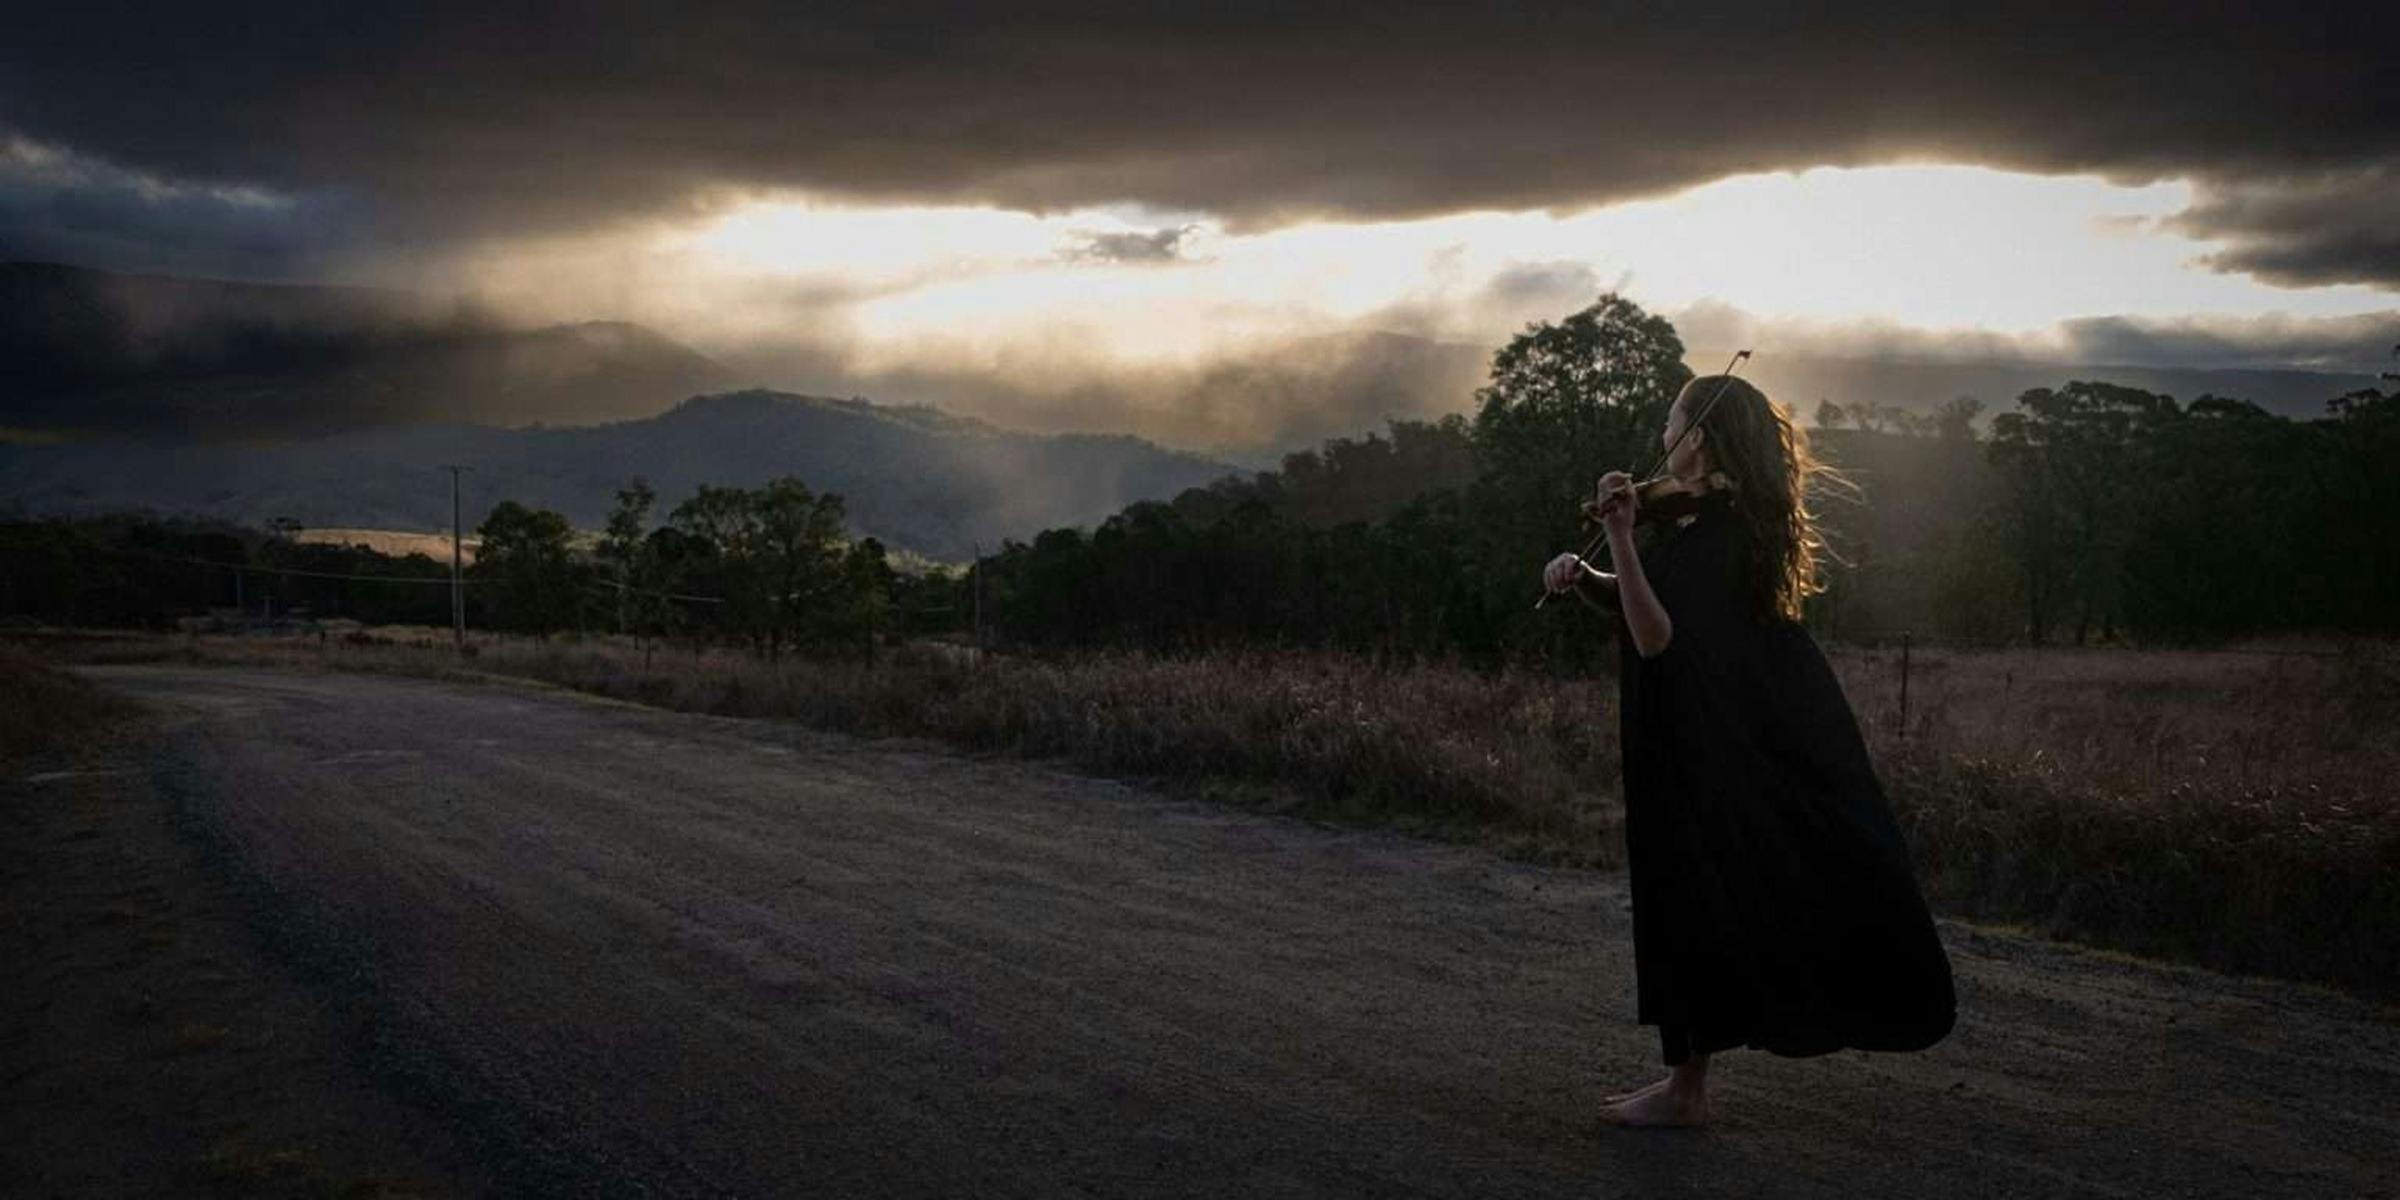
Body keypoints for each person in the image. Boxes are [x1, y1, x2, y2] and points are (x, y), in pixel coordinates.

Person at [1541, 375, 1955, 1129]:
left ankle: (1685, 1093)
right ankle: (1684, 1088)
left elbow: (1657, 637)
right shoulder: (1709, 525)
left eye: (1671, 423)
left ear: (1697, 439)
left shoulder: (1723, 535)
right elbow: (1651, 605)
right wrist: (1591, 577)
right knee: (1687, 899)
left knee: (1692, 897)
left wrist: (1625, 539)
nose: (1662, 436)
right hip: (1696, 737)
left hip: (1704, 746)